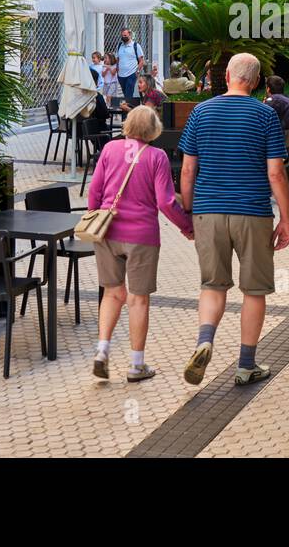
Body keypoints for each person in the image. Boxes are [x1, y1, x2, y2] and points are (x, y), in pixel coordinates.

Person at [179, 53, 289, 387]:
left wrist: (189, 212)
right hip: (252, 213)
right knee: (254, 290)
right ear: (256, 82)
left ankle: (205, 341)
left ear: (227, 75)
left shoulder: (201, 111)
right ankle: (245, 365)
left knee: (213, 285)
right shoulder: (265, 115)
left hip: (208, 212)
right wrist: (286, 219)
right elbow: (276, 173)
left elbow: (187, 169)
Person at [87, 105, 193, 383]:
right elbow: (166, 202)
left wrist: (95, 219)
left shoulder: (110, 149)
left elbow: (94, 190)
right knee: (138, 299)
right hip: (142, 236)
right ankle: (136, 365)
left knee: (111, 294)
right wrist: (186, 226)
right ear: (153, 129)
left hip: (108, 232)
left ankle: (102, 351)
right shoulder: (157, 156)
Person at [116, 28, 145, 100]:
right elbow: (118, 59)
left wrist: (137, 71)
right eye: (122, 35)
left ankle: (128, 108)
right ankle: (129, 107)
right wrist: (117, 69)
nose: (123, 37)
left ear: (130, 35)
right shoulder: (119, 45)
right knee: (125, 92)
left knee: (129, 92)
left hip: (132, 73)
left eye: (125, 35)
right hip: (121, 74)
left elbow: (141, 60)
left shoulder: (136, 45)